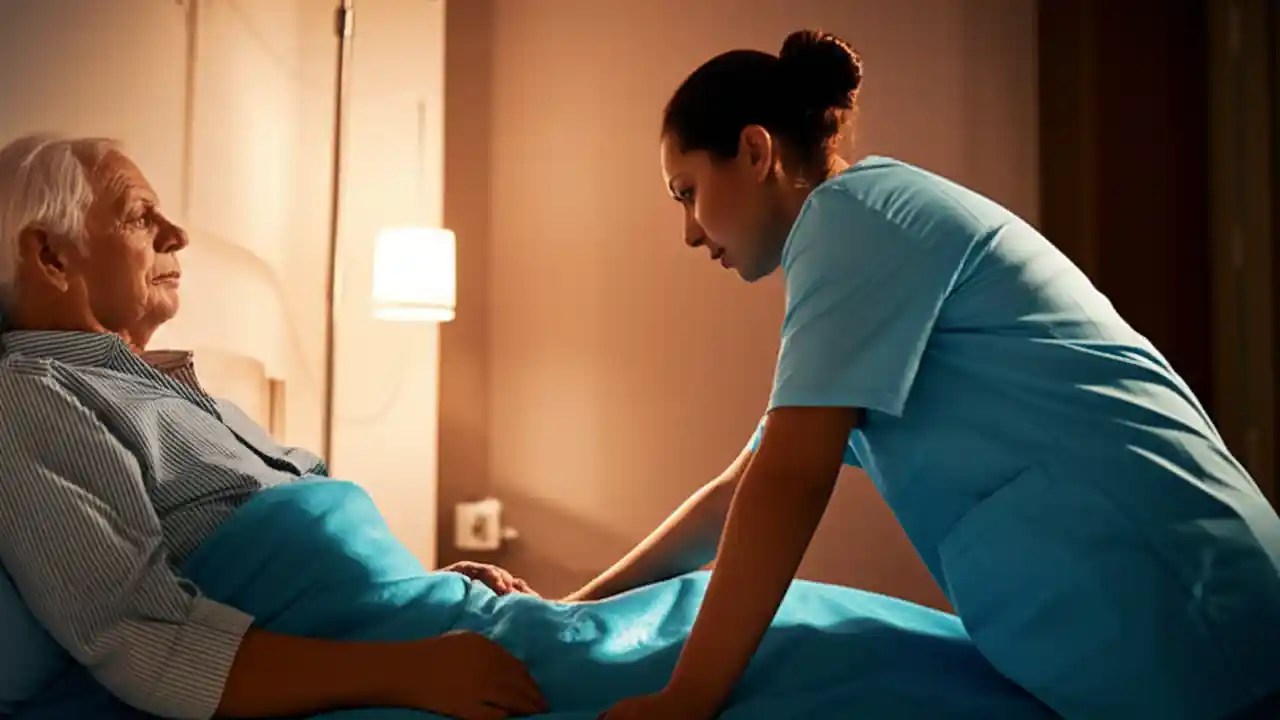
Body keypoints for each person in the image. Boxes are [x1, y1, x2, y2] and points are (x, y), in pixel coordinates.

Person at [590, 30, 1280, 720]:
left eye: (687, 192)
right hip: (1156, 614)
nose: (687, 230)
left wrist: (687, 699)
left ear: (755, 151)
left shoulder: (852, 222)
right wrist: (570, 606)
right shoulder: (861, 243)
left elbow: (789, 482)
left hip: (1187, 600)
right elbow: (740, 493)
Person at [0, 134, 546, 720]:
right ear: (52, 257)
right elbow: (140, 635)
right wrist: (409, 667)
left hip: (428, 633)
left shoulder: (173, 393)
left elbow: (302, 589)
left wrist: (416, 588)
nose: (177, 236)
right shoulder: (33, 394)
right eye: (139, 216)